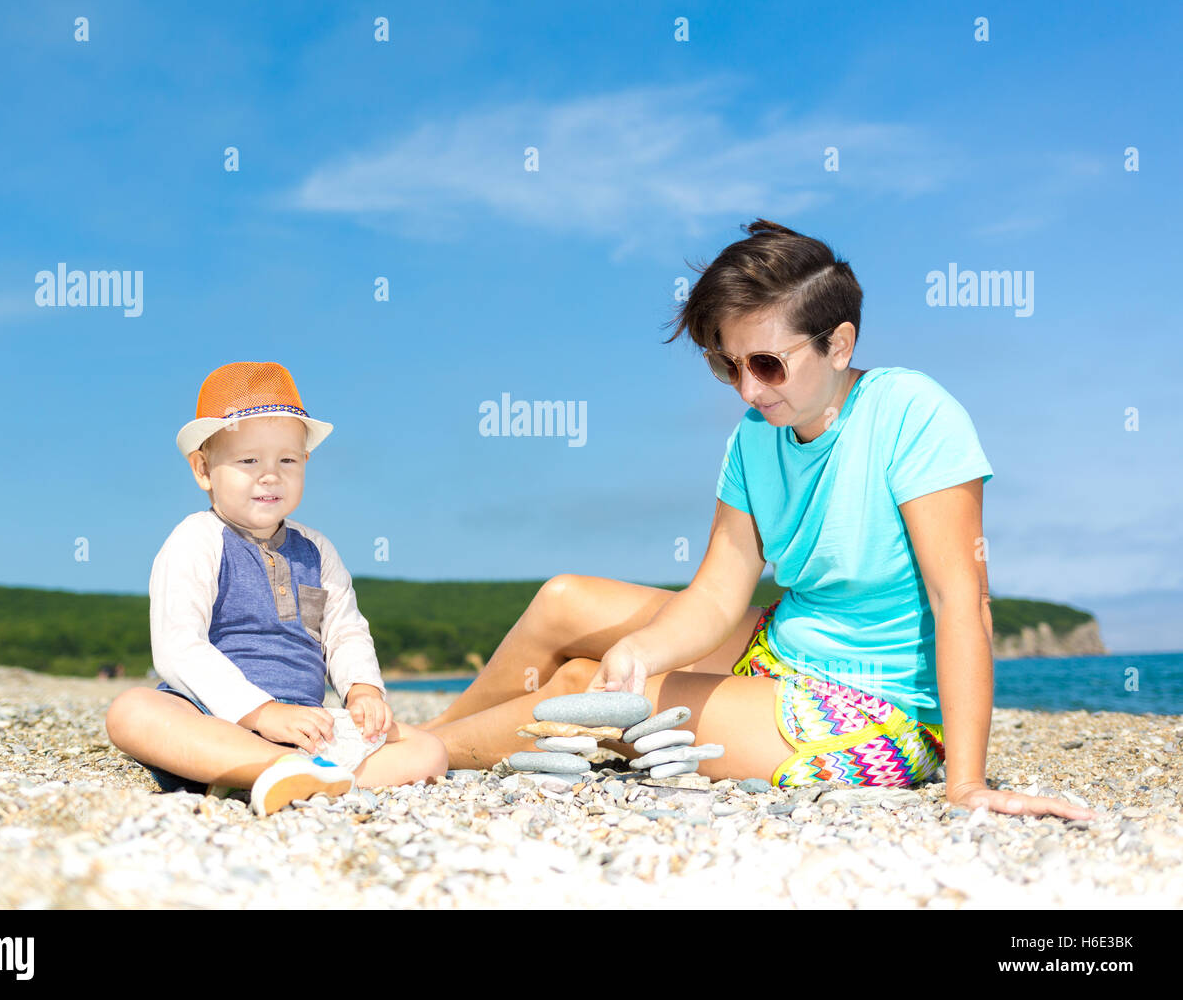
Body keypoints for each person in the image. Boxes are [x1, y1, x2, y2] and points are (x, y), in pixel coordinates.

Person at [423, 220, 1096, 821]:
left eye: (768, 364)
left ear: (839, 344)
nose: (748, 389)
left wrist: (968, 782)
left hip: (878, 708)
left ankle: (423, 752)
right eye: (728, 364)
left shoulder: (914, 414)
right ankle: (426, 736)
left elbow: (962, 602)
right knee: (563, 602)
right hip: (779, 647)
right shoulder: (754, 435)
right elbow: (718, 593)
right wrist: (646, 648)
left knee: (581, 684)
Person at [105, 361, 447, 815]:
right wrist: (262, 713)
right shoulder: (198, 538)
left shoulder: (317, 550)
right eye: (249, 461)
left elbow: (344, 631)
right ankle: (274, 769)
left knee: (427, 751)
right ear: (204, 470)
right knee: (132, 711)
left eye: (287, 460)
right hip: (214, 719)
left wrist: (363, 689)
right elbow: (178, 646)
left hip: (308, 728)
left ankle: (289, 776)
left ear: (305, 462)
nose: (270, 475)